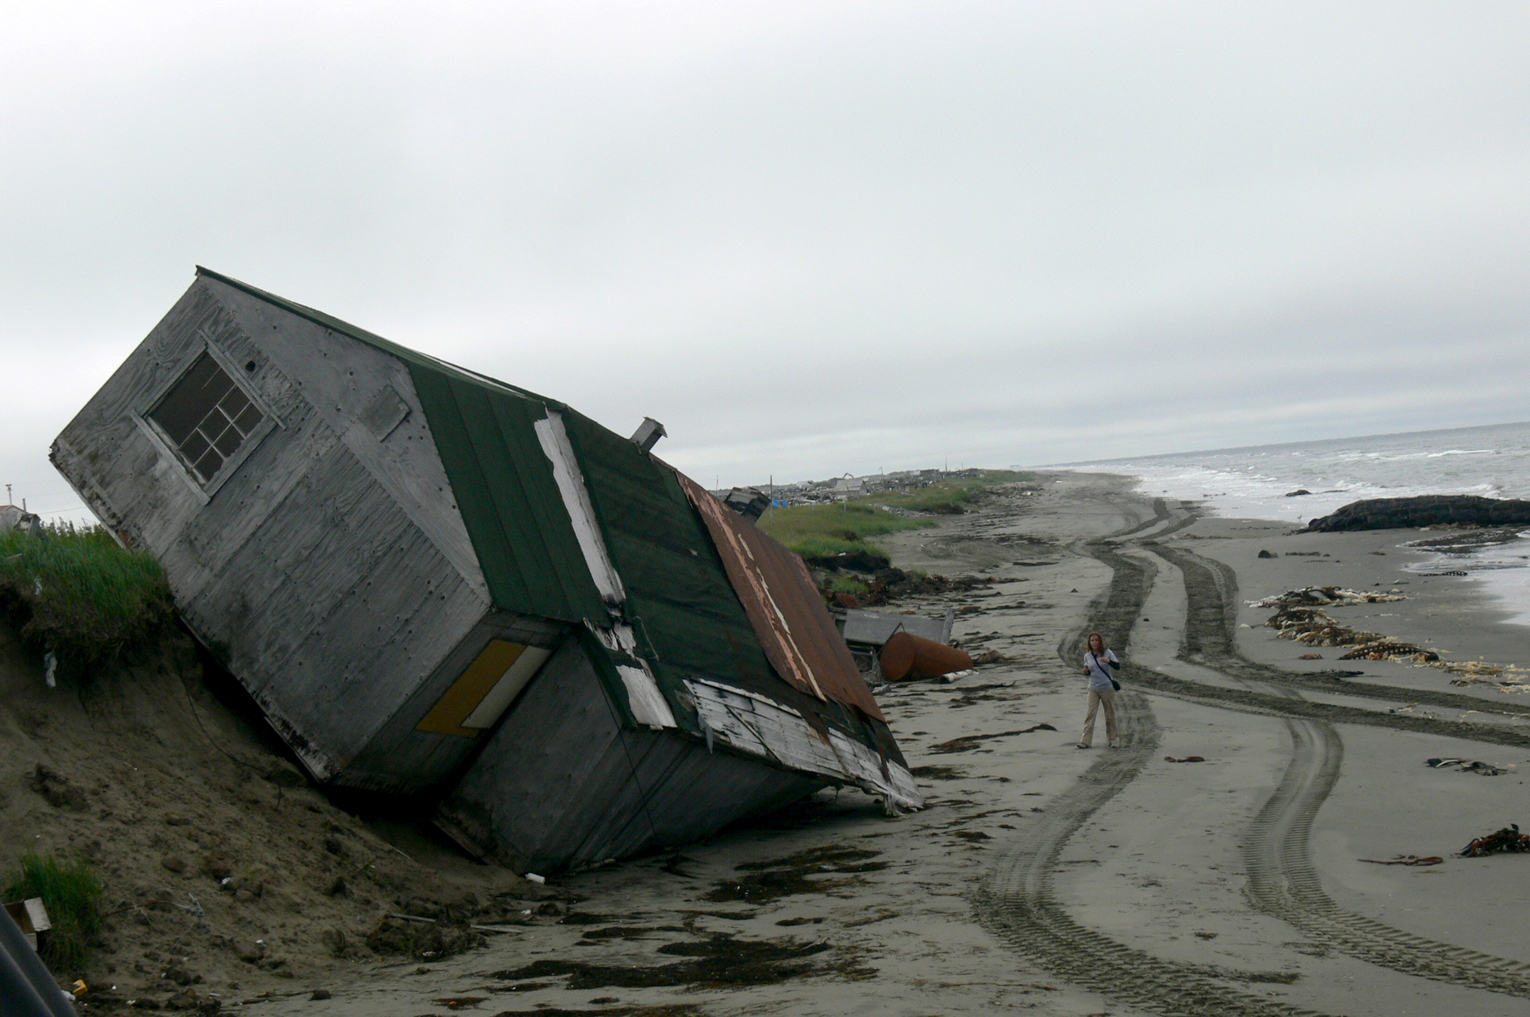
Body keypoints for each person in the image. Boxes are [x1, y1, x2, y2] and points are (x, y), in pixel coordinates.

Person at [1078, 631, 1120, 749]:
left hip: (1107, 687)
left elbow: (1117, 666)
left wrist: (1109, 661)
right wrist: (1086, 671)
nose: (1094, 642)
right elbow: (1089, 669)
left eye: (1096, 640)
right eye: (1092, 640)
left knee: (1109, 714)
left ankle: (1114, 740)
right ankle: (1085, 741)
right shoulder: (1088, 655)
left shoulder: (1107, 652)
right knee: (1090, 714)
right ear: (1089, 643)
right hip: (1093, 688)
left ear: (1100, 642)